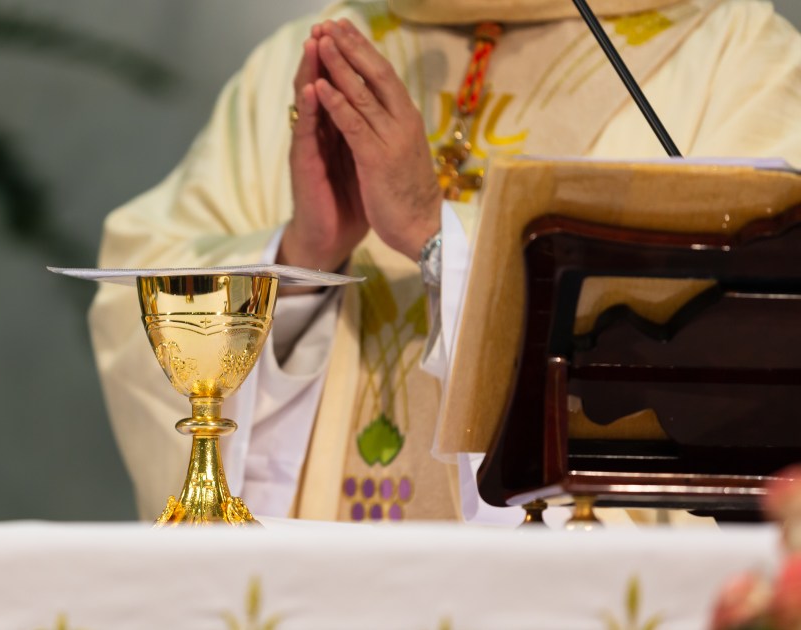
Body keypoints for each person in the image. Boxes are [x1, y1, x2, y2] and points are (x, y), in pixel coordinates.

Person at [89, 0, 801, 523]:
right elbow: (139, 281)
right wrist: (301, 255)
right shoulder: (319, 50)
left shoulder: (735, 57)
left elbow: (739, 327)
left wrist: (440, 237)